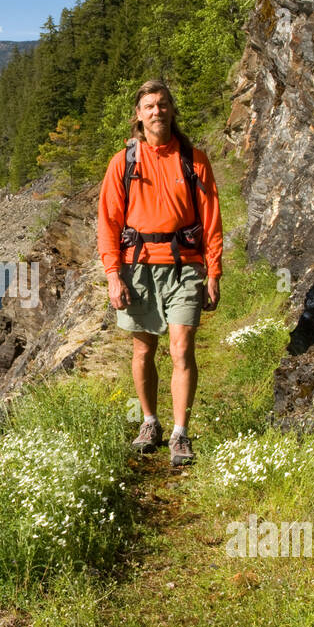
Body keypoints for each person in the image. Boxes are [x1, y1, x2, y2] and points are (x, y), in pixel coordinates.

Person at [97, 80, 223, 467]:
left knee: (182, 348)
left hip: (186, 267)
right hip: (137, 270)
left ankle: (180, 434)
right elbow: (108, 221)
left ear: (172, 110)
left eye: (163, 104)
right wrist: (113, 274)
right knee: (142, 348)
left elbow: (212, 219)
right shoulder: (124, 162)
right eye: (149, 106)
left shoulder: (194, 159)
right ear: (138, 115)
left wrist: (214, 271)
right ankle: (149, 422)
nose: (157, 111)